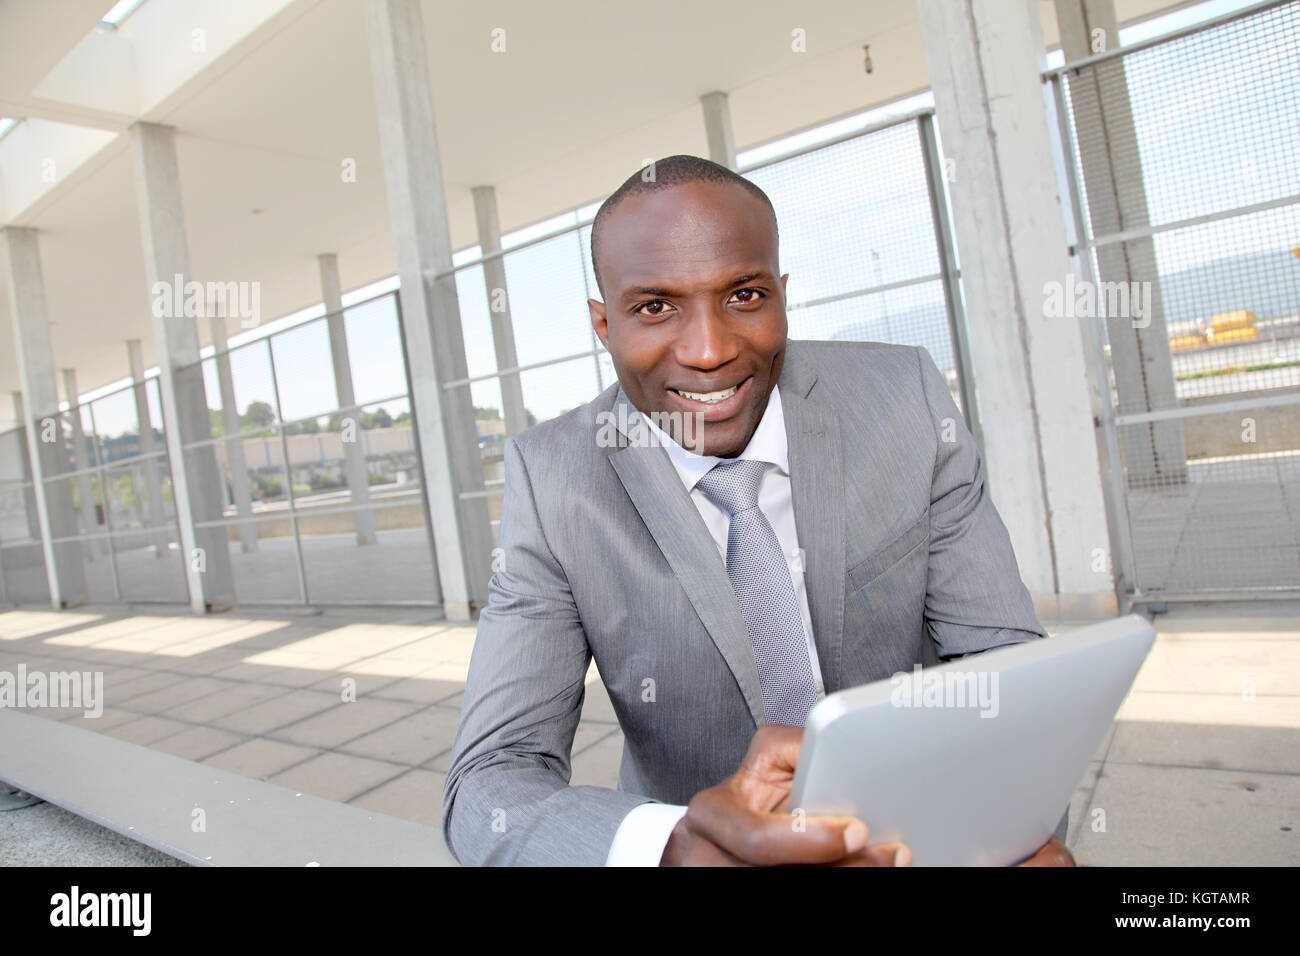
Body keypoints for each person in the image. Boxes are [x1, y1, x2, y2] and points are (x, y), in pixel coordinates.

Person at [441, 154, 1074, 867]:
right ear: (603, 324)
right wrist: (673, 848)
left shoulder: (906, 402)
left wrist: (991, 828)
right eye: (655, 307)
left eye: (743, 296)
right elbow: (488, 781)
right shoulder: (553, 480)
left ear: (781, 295)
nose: (710, 351)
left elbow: (1008, 675)